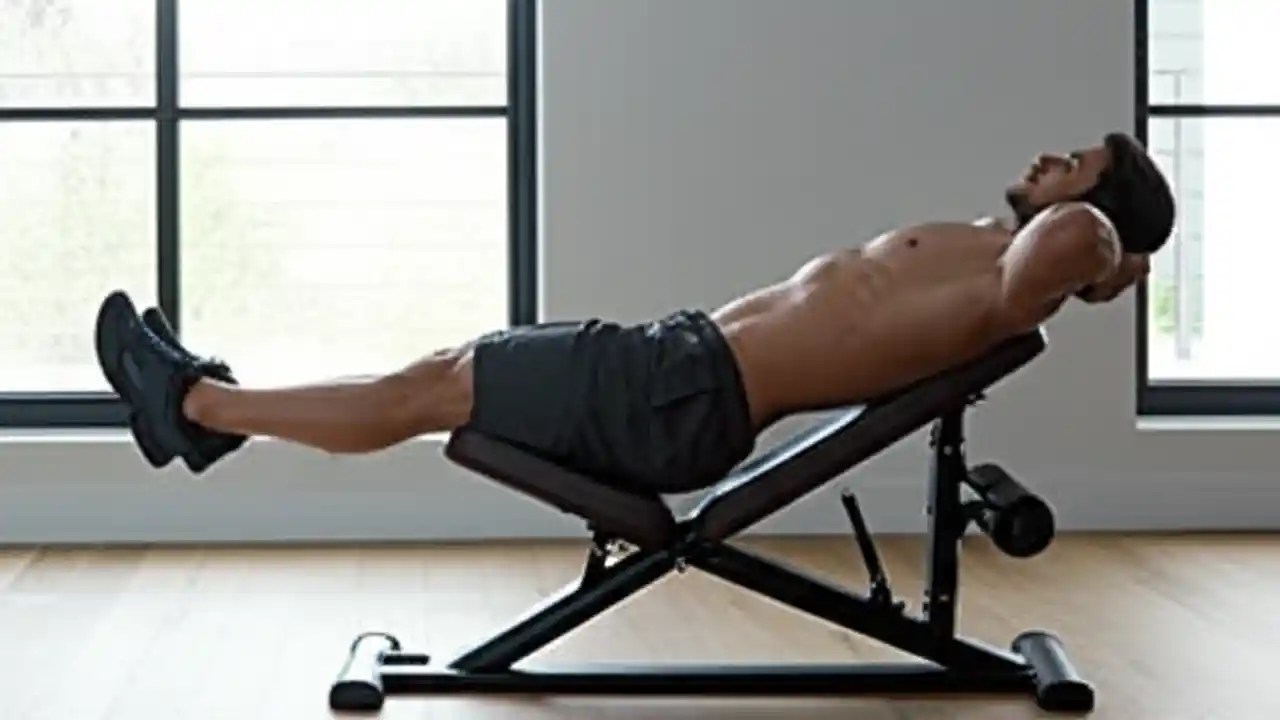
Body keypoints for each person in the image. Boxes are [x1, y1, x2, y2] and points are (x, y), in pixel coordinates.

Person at [95, 132, 1175, 491]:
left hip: (681, 399)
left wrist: (1114, 252)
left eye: (1075, 161)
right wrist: (1099, 241)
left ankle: (193, 405)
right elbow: (1051, 251)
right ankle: (212, 408)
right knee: (437, 373)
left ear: (1093, 213)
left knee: (428, 390)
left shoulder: (1046, 257)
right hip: (674, 368)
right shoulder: (994, 252)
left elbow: (1070, 250)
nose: (1050, 158)